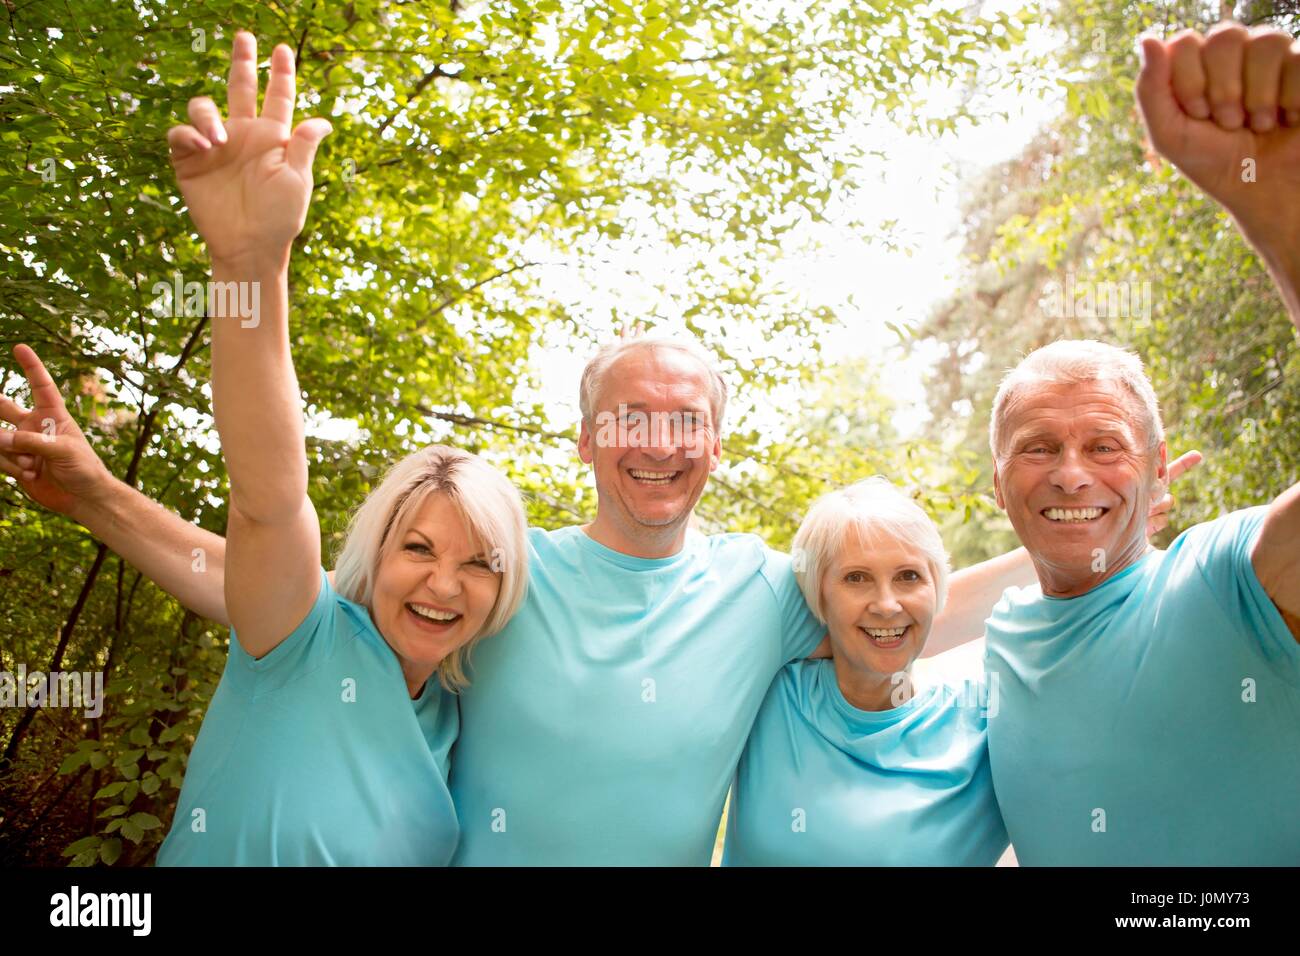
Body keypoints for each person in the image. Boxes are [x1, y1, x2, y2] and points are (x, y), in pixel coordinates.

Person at [0, 32, 1189, 866]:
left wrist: (1093, 526)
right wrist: (241, 285)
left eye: (684, 420)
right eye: (630, 415)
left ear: (714, 445)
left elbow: (930, 603)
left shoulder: (764, 592)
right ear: (585, 439)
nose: (657, 442)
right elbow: (267, 559)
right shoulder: (500, 573)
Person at [979, 23, 1300, 865]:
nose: (1072, 472)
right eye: (1039, 447)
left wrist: (1274, 215)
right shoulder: (1003, 635)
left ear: (1160, 471)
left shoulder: (1228, 578)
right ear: (999, 481)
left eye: (1106, 447)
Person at [723, 478, 1008, 866]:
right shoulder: (767, 695)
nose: (887, 605)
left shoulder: (985, 726)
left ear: (937, 589)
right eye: (856, 578)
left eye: (908, 576)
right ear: (817, 594)